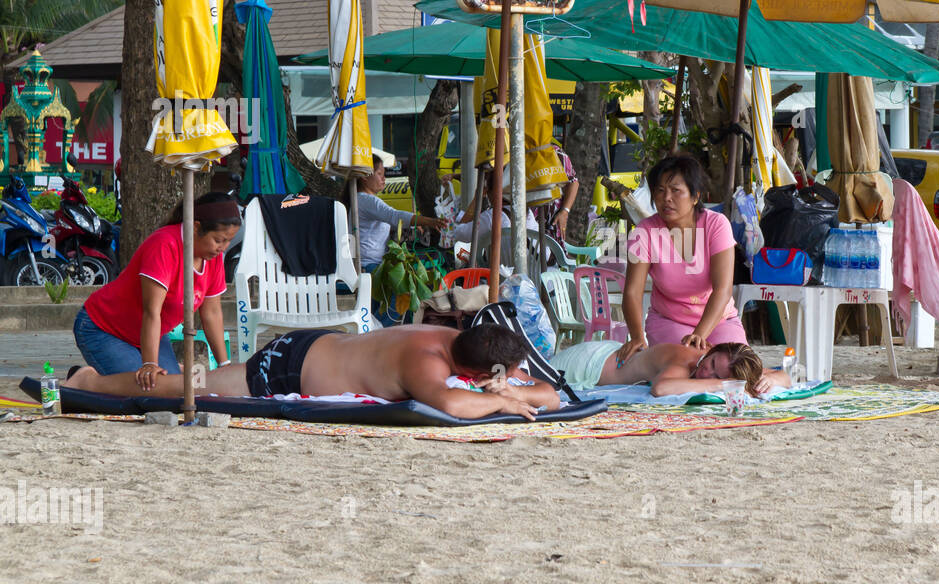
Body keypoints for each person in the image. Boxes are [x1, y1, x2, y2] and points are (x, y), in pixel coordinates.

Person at [66, 323, 561, 420]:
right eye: (494, 379)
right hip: (289, 367)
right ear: (473, 373)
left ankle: (91, 379)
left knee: (193, 381)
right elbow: (451, 403)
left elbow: (553, 396)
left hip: (318, 344)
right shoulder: (426, 360)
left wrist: (514, 389)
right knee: (185, 387)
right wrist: (501, 400)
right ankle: (89, 382)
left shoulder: (466, 343)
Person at [74, 192, 239, 386]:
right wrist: (150, 364)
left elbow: (211, 312)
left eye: (228, 241)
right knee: (150, 388)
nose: (223, 248)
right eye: (219, 240)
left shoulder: (213, 257)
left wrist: (224, 365)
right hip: (103, 328)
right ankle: (83, 379)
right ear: (196, 227)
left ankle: (173, 372)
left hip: (148, 333)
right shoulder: (164, 245)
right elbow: (152, 312)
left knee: (171, 388)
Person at [616, 153, 745, 367]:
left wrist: (700, 335)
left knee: (736, 367)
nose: (666, 198)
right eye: (659, 190)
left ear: (695, 196)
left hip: (719, 319)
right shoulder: (644, 232)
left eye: (675, 191)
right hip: (669, 321)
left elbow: (723, 289)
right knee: (688, 365)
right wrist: (637, 336)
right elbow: (632, 292)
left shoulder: (717, 224)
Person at [553, 339, 788, 397]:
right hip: (588, 365)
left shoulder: (728, 364)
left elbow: (785, 376)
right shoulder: (683, 360)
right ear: (711, 350)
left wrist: (773, 380)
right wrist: (721, 384)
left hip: (614, 355)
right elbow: (660, 389)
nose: (707, 373)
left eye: (718, 375)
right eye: (712, 364)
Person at [357, 155, 438, 270]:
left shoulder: (360, 199)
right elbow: (394, 216)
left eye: (384, 174)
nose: (383, 178)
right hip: (370, 266)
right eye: (379, 174)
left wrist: (413, 223)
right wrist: (430, 221)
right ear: (365, 177)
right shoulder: (368, 200)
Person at [546, 147, 580, 243]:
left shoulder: (555, 152)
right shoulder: (511, 150)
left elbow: (573, 182)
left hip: (550, 223)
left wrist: (565, 211)